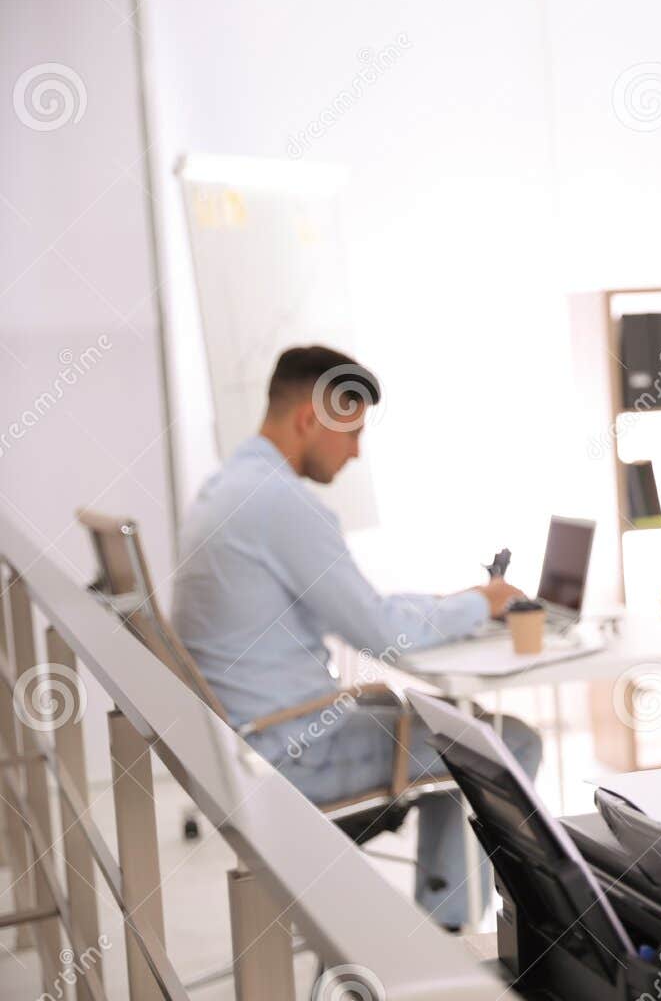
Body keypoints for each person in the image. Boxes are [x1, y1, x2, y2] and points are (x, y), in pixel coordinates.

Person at [173, 345, 538, 931]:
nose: (355, 452)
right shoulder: (281, 505)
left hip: (244, 747)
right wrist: (480, 604)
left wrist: (462, 603)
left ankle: (442, 926)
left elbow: (367, 608)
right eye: (351, 433)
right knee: (506, 745)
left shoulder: (226, 487)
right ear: (309, 420)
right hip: (293, 757)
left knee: (451, 727)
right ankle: (447, 943)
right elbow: (382, 632)